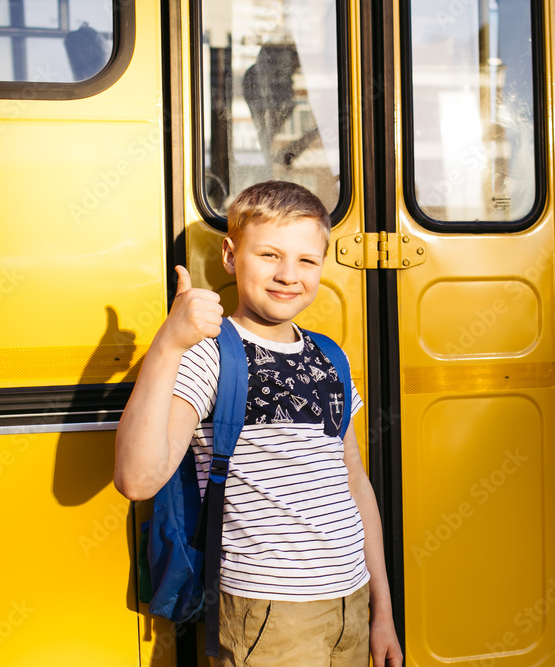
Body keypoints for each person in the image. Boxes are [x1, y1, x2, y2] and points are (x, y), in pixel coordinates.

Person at [114, 180, 402, 666]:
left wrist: (383, 611)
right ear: (230, 256)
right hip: (268, 612)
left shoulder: (329, 356)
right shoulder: (209, 354)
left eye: (307, 261)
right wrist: (169, 343)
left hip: (351, 600)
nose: (289, 274)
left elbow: (355, 483)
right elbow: (136, 478)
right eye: (269, 255)